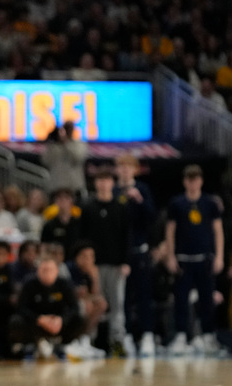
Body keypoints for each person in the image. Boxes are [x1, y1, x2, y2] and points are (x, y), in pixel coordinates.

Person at [164, 164, 223, 356]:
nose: (192, 182)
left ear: (201, 181)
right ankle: (181, 335)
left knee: (207, 298)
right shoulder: (177, 204)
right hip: (183, 259)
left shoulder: (209, 204)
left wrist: (219, 256)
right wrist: (171, 257)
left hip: (204, 258)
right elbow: (170, 232)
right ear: (184, 182)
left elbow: (218, 231)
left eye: (196, 179)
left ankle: (208, 335)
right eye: (189, 179)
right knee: (181, 299)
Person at [79, 167, 131, 355]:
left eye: (107, 179)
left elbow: (126, 236)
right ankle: (89, 340)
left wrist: (126, 262)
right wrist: (86, 264)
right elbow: (82, 238)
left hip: (116, 264)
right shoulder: (88, 207)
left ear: (112, 182)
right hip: (94, 265)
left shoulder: (120, 207)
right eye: (100, 179)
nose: (103, 183)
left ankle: (117, 340)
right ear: (95, 183)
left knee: (117, 303)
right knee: (94, 302)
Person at [114, 153, 158, 357]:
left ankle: (147, 335)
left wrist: (139, 201)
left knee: (143, 295)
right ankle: (127, 336)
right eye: (120, 166)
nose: (124, 170)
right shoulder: (113, 191)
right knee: (123, 298)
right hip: (121, 255)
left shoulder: (142, 189)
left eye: (127, 166)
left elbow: (151, 218)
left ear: (134, 169)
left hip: (139, 251)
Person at [9, 255, 84, 360]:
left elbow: (74, 307)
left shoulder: (64, 284)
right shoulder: (29, 283)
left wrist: (61, 319)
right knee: (16, 321)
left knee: (81, 319)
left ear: (57, 271)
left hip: (57, 324)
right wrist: (39, 319)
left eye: (50, 270)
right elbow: (21, 308)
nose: (47, 273)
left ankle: (63, 346)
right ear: (37, 271)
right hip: (37, 324)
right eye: (44, 269)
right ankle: (30, 346)